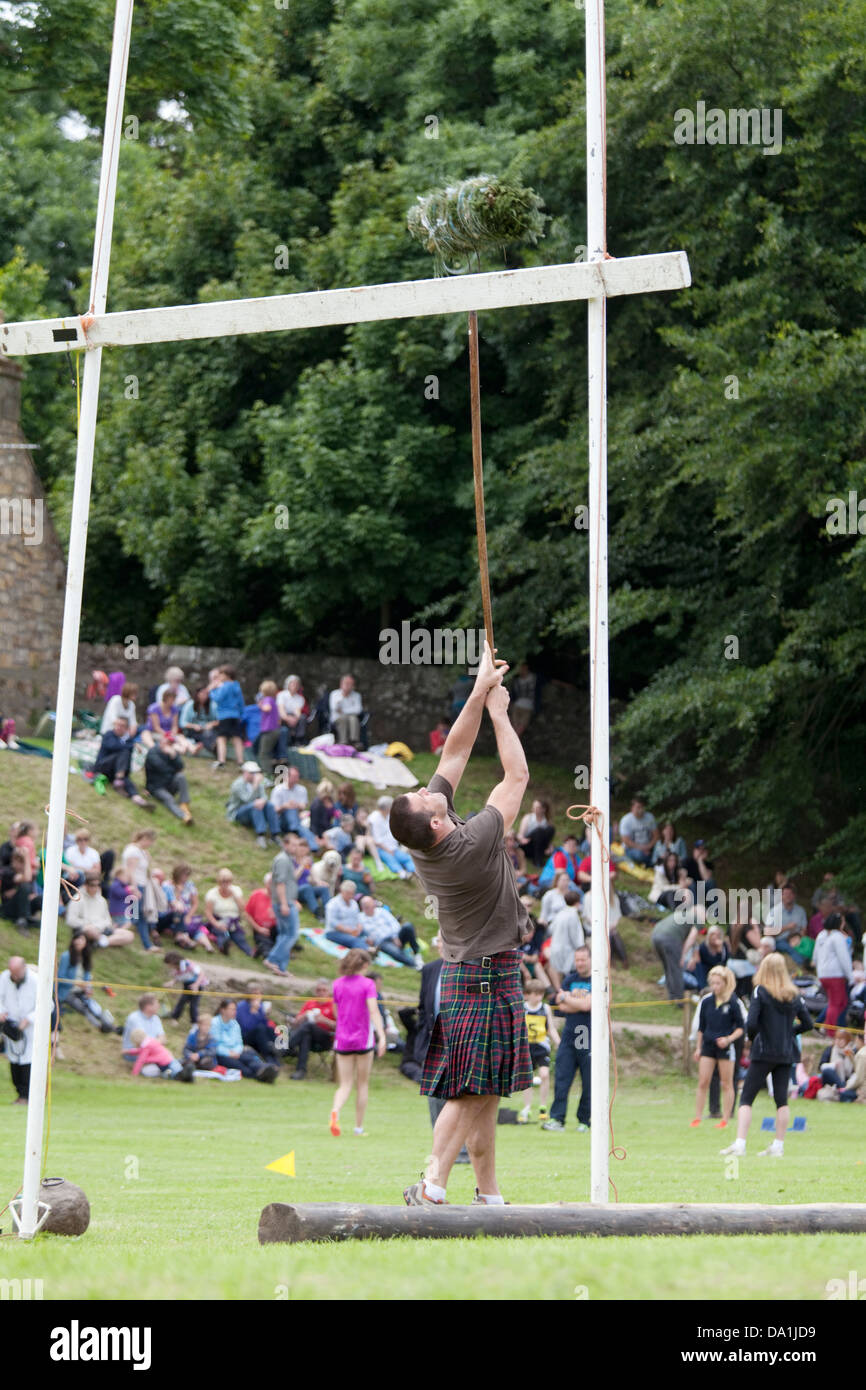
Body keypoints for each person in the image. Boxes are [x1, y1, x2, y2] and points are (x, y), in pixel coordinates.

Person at [389, 640, 533, 1207]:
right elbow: (515, 775)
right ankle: (432, 1183)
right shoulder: (470, 844)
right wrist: (499, 711)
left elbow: (454, 752)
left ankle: (488, 1192)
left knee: (487, 1087)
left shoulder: (431, 837)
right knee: (470, 1086)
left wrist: (477, 689)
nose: (429, 788)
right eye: (423, 795)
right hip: (483, 973)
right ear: (437, 821)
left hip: (477, 970)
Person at [721, 953, 813, 1159]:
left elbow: (752, 1023)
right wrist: (790, 1033)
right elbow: (808, 1023)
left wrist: (753, 1038)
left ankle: (740, 1143)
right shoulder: (794, 995)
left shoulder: (760, 992)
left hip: (764, 1051)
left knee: (746, 1098)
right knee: (782, 1100)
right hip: (785, 1052)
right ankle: (779, 1145)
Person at [329, 949, 386, 1136]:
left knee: (345, 1084)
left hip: (342, 1039)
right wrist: (381, 1035)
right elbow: (374, 1011)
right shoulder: (368, 984)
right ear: (365, 965)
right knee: (362, 1084)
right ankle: (358, 1127)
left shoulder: (337, 984)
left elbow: (337, 1013)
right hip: (363, 1039)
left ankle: (335, 1110)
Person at [543, 945, 592, 1132]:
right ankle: (557, 1119)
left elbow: (588, 1005)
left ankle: (584, 1121)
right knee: (562, 1078)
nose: (579, 963)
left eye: (583, 959)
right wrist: (575, 1002)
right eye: (577, 959)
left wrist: (568, 998)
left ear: (590, 960)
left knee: (589, 1081)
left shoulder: (597, 980)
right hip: (569, 1035)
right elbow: (560, 1006)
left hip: (587, 1035)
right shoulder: (570, 979)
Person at [690, 966, 743, 1129]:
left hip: (725, 1047)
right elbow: (701, 1027)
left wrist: (728, 1040)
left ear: (725, 984)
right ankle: (697, 1117)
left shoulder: (733, 1002)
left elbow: (741, 1028)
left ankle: (725, 1119)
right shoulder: (706, 1002)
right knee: (703, 1081)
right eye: (712, 983)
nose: (715, 987)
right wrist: (698, 1048)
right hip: (708, 1046)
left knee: (726, 1083)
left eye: (718, 983)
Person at [518, 978, 559, 1124]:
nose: (538, 997)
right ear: (527, 994)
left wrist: (558, 1042)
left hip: (541, 1046)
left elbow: (551, 1028)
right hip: (526, 1046)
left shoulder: (545, 1008)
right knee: (527, 1079)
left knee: (544, 1075)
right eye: (535, 994)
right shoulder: (522, 1008)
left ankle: (543, 1106)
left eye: (540, 994)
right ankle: (527, 1107)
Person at [57, 932, 117, 1033]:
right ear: (73, 941)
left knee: (94, 1007)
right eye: (78, 939)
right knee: (82, 1008)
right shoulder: (66, 956)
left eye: (82, 939)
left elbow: (87, 977)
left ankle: (110, 1025)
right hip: (67, 991)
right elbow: (60, 976)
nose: (79, 942)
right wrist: (76, 983)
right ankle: (99, 1026)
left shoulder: (86, 957)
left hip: (81, 990)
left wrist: (88, 988)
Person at [210, 999, 279, 1081]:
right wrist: (229, 1053)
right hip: (222, 1055)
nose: (234, 1011)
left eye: (235, 1009)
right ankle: (262, 1076)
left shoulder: (234, 1024)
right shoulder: (214, 1023)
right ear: (223, 1010)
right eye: (232, 1009)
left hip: (236, 1052)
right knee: (242, 1068)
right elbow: (214, 1044)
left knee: (250, 1059)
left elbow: (239, 1042)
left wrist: (236, 1051)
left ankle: (264, 1069)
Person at [0, 956, 38, 1102]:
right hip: (11, 1025)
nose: (14, 977)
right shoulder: (4, 978)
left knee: (28, 1060)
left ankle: (26, 1095)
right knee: (14, 1059)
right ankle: (19, 1094)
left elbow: (48, 1005)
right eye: (12, 973)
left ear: (24, 968)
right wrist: (2, 1012)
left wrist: (28, 1019)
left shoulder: (36, 981)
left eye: (16, 973)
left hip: (30, 1028)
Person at [92, 716, 151, 808]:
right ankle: (119, 780)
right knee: (123, 752)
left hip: (116, 772)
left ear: (127, 729)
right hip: (102, 767)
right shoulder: (109, 735)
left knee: (127, 780)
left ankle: (136, 797)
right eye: (117, 725)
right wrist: (133, 744)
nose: (119, 727)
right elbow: (113, 746)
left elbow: (127, 760)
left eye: (122, 726)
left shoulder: (128, 740)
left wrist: (130, 744)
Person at [66, 871, 135, 948]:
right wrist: (89, 924)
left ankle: (103, 942)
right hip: (88, 929)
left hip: (104, 930)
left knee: (129, 935)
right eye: (92, 885)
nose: (95, 888)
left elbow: (107, 919)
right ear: (86, 885)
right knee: (90, 930)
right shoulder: (77, 899)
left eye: (98, 885)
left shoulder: (102, 900)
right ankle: (104, 941)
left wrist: (105, 926)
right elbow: (71, 920)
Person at [287, 979, 336, 1079]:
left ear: (329, 992)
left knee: (308, 1026)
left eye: (324, 990)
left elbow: (340, 1026)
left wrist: (324, 1020)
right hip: (309, 1038)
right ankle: (300, 1071)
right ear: (315, 992)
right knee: (306, 1035)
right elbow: (295, 1023)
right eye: (318, 990)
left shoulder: (334, 1005)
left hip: (326, 1038)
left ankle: (286, 1047)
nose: (321, 993)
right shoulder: (310, 1003)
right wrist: (304, 1015)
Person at [814, 911, 853, 1031]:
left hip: (823, 974)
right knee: (835, 1004)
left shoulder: (821, 935)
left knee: (841, 1002)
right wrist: (850, 975)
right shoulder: (838, 936)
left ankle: (828, 1026)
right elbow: (844, 958)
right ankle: (830, 1031)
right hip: (835, 975)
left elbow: (815, 956)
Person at [267, 835, 300, 977]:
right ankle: (272, 959)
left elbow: (291, 880)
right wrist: (284, 904)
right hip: (284, 902)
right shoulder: (282, 860)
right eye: (293, 845)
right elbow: (280, 883)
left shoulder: (288, 860)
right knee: (291, 934)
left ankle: (280, 967)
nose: (296, 848)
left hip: (287, 901)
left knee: (284, 935)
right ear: (285, 844)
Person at [226, 761, 279, 848]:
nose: (255, 775)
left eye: (256, 773)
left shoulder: (258, 783)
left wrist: (263, 801)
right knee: (255, 805)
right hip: (237, 812)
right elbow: (247, 800)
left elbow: (264, 796)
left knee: (269, 805)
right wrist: (255, 786)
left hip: (254, 810)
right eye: (252, 773)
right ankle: (260, 835)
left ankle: (275, 834)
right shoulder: (237, 784)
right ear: (245, 773)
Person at [651, 908, 700, 1001]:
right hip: (670, 939)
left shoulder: (680, 914)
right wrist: (683, 955)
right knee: (676, 969)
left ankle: (672, 997)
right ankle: (679, 1000)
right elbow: (692, 937)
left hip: (655, 935)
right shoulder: (697, 918)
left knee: (668, 967)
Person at [358, 895, 420, 967]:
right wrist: (366, 940)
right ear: (363, 908)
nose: (370, 908)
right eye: (367, 907)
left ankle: (417, 953)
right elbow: (359, 934)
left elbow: (394, 923)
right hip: (382, 942)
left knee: (408, 926)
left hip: (396, 936)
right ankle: (414, 964)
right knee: (395, 952)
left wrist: (395, 937)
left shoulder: (382, 911)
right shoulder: (360, 918)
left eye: (371, 905)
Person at [204, 869, 255, 956]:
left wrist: (235, 896)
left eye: (228, 881)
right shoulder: (212, 894)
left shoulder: (236, 891)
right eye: (223, 881)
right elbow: (208, 912)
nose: (225, 884)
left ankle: (251, 952)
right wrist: (217, 924)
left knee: (239, 937)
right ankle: (223, 947)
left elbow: (243, 908)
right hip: (219, 921)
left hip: (233, 922)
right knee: (221, 934)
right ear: (219, 882)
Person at [145, 733, 193, 824]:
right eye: (167, 741)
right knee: (169, 799)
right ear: (161, 741)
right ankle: (184, 817)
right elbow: (163, 769)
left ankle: (184, 804)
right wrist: (174, 769)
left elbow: (181, 767)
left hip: (169, 784)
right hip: (156, 787)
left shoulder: (173, 752)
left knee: (181, 777)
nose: (169, 744)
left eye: (171, 743)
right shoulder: (153, 752)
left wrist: (174, 756)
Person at [164, 863, 213, 950]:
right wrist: (178, 891)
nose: (186, 877)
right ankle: (186, 940)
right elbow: (171, 902)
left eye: (187, 875)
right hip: (173, 913)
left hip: (187, 913)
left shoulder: (190, 885)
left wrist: (189, 915)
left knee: (194, 927)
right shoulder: (167, 885)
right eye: (184, 875)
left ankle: (208, 946)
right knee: (181, 922)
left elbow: (195, 903)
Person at [270, 765, 318, 850]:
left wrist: (296, 805)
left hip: (297, 819)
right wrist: (285, 806)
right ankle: (296, 831)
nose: (297, 779)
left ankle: (314, 847)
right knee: (291, 811)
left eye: (297, 777)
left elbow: (303, 806)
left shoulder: (302, 789)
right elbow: (273, 811)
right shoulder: (278, 790)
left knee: (301, 823)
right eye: (294, 777)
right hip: (281, 820)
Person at [547, 890, 585, 991]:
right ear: (577, 902)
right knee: (568, 974)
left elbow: (551, 929)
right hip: (567, 949)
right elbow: (575, 936)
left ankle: (560, 991)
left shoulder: (560, 913)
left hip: (555, 947)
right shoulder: (573, 915)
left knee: (559, 972)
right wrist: (581, 948)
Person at [368, 797, 416, 879]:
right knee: (391, 860)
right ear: (387, 808)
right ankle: (401, 873)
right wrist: (388, 850)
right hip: (381, 848)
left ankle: (412, 870)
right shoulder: (374, 818)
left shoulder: (389, 816)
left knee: (406, 858)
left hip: (394, 847)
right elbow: (376, 840)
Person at [209, 665, 246, 768]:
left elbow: (218, 698)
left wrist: (212, 690)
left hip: (224, 716)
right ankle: (240, 762)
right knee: (237, 738)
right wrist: (241, 714)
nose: (219, 676)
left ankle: (221, 761)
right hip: (235, 716)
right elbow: (241, 702)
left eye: (221, 674)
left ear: (227, 675)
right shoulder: (236, 686)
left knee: (221, 738)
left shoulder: (225, 686)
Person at [128, 1028, 195, 1082]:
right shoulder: (150, 1041)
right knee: (177, 1070)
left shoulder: (146, 1047)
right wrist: (129, 1051)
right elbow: (139, 1051)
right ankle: (189, 1076)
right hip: (170, 1059)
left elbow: (140, 1060)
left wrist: (134, 1073)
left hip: (165, 1063)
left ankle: (187, 1073)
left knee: (176, 1075)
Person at [237, 985, 279, 1062]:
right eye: (255, 993)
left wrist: (265, 1015)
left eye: (259, 994)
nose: (257, 996)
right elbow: (246, 1026)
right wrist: (253, 1011)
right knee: (260, 1029)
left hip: (259, 1035)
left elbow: (264, 1024)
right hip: (245, 1036)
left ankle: (279, 1049)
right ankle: (269, 1056)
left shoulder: (260, 1006)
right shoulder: (241, 1006)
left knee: (269, 1029)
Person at [164, 951, 208, 1023]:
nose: (168, 966)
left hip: (198, 984)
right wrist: (172, 982)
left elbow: (201, 973)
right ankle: (174, 1018)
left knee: (193, 1005)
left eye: (168, 964)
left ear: (173, 962)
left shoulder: (188, 964)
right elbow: (180, 976)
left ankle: (194, 1022)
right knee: (182, 1001)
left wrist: (196, 985)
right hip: (187, 985)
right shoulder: (177, 968)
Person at [121, 993, 167, 1060]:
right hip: (133, 1053)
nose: (159, 1006)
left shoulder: (156, 1018)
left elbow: (163, 1038)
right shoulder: (134, 1018)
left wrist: (155, 1044)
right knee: (163, 1059)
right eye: (156, 1004)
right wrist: (157, 1044)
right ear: (148, 1006)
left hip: (151, 1050)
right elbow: (143, 1043)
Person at [324, 879, 363, 949]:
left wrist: (358, 929)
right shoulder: (333, 903)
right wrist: (349, 931)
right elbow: (333, 922)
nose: (350, 896)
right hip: (335, 932)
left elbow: (359, 919)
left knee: (367, 938)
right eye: (348, 893)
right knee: (354, 940)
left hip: (353, 932)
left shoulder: (354, 903)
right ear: (342, 891)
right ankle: (367, 951)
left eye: (352, 894)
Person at [618, 797, 659, 866]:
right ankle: (650, 863)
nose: (641, 810)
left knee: (659, 850)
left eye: (642, 807)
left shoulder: (650, 817)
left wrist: (648, 847)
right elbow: (626, 841)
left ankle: (651, 862)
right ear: (632, 808)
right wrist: (643, 848)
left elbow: (656, 836)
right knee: (639, 855)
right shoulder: (626, 820)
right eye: (638, 807)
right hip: (632, 848)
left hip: (649, 847)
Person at [178, 688, 218, 755]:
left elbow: (219, 720)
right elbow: (182, 723)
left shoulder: (212, 705)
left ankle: (214, 746)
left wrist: (211, 724)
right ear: (197, 694)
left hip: (208, 731)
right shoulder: (189, 704)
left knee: (209, 733)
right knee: (205, 735)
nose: (205, 696)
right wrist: (193, 726)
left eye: (207, 694)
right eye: (202, 693)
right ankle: (213, 747)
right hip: (192, 731)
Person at [245, 873, 277, 956]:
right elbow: (247, 914)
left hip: (275, 928)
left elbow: (297, 907)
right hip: (260, 928)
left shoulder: (280, 897)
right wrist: (258, 928)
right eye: (270, 883)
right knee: (264, 944)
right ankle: (264, 951)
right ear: (266, 883)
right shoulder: (256, 895)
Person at [516, 798, 554, 868]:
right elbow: (520, 835)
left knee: (551, 829)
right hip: (527, 845)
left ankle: (542, 855)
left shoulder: (546, 821)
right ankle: (537, 861)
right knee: (539, 830)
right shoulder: (528, 818)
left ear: (543, 809)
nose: (534, 809)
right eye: (534, 807)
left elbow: (547, 838)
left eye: (537, 807)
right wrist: (522, 839)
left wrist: (550, 846)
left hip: (539, 846)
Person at [276, 674, 309, 752]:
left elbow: (297, 712)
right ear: (288, 684)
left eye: (297, 684)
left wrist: (295, 719)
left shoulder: (300, 698)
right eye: (293, 683)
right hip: (284, 717)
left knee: (303, 718)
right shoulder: (281, 695)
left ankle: (298, 740)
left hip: (293, 718)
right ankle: (287, 741)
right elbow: (281, 711)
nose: (295, 686)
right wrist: (288, 719)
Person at [329, 674, 363, 746]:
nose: (348, 686)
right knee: (344, 718)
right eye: (347, 683)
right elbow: (334, 708)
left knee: (353, 718)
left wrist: (343, 711)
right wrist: (343, 696)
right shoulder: (335, 694)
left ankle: (354, 741)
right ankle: (343, 742)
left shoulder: (356, 695)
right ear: (341, 684)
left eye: (350, 684)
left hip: (351, 718)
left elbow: (358, 710)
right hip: (337, 718)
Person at [256, 680, 281, 774]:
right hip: (275, 730)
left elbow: (267, 708)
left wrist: (260, 705)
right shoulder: (273, 701)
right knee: (268, 753)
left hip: (269, 731)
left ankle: (267, 775)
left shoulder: (267, 700)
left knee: (263, 754)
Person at [509, 661, 536, 736]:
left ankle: (512, 744)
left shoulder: (534, 678)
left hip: (528, 706)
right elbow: (513, 695)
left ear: (526, 667)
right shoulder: (516, 680)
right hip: (517, 705)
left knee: (521, 726)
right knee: (514, 725)